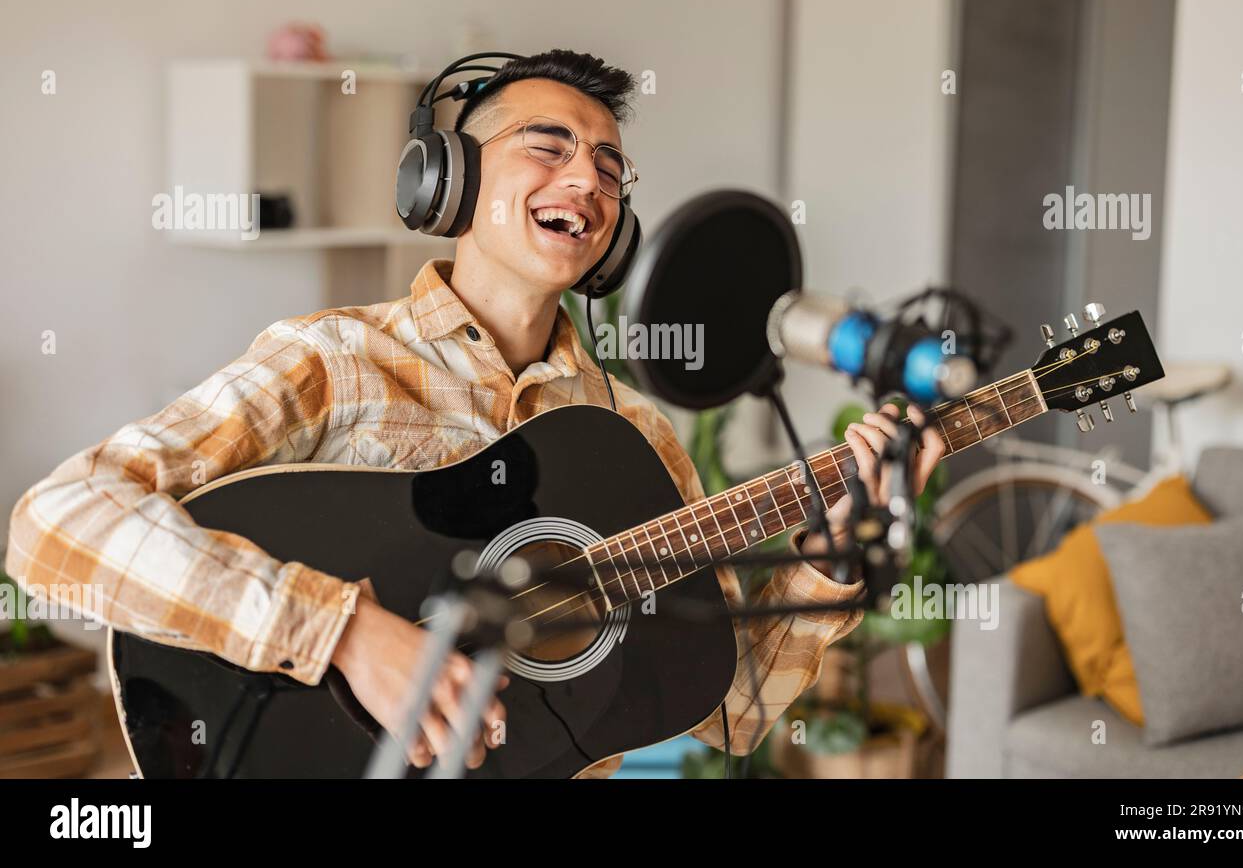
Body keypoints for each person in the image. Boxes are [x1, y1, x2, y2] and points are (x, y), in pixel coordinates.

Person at [5, 49, 942, 776]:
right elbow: (56, 528)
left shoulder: (637, 443)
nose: (589, 180)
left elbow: (726, 708)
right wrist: (341, 631)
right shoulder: (334, 362)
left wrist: (824, 571)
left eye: (611, 166)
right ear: (445, 180)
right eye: (550, 146)